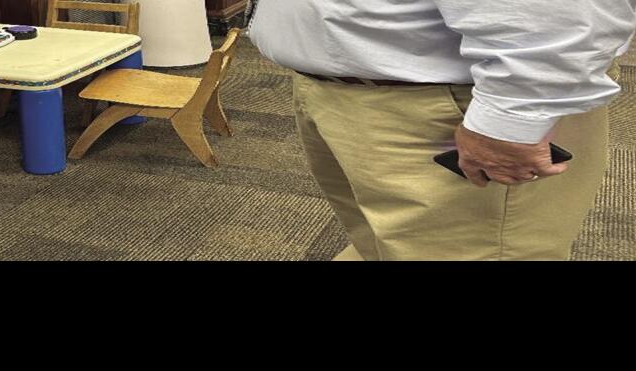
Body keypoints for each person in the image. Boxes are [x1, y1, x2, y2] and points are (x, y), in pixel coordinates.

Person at [249, 0, 636, 260]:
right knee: (382, 244)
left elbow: (557, 16)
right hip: (343, 90)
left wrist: (512, 116)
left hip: (452, 106)